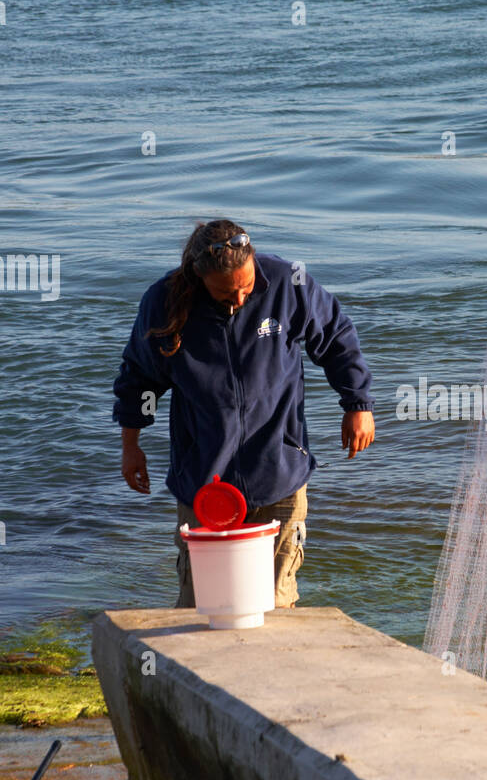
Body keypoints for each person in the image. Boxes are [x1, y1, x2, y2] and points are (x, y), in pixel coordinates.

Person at [112, 220, 375, 609]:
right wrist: (130, 445)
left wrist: (358, 404)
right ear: (199, 278)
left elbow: (336, 338)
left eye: (246, 287)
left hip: (279, 470)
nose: (237, 299)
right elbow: (138, 378)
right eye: (224, 291)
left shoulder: (288, 283)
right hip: (203, 478)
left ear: (254, 263)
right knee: (202, 604)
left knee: (275, 604)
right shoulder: (163, 302)